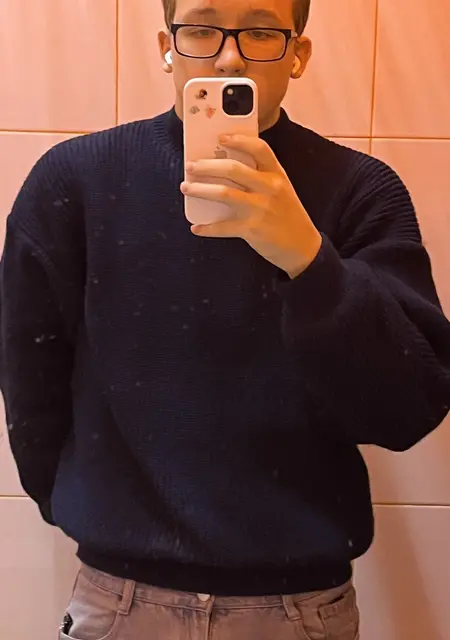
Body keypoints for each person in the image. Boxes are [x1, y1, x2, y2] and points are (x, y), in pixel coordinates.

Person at [1, 0, 449, 637]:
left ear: (298, 54)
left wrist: (308, 258)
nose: (229, 56)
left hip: (300, 611)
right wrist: (92, 510)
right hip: (118, 602)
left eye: (261, 31)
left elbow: (409, 408)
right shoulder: (74, 183)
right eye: (202, 29)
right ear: (167, 45)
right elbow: (28, 374)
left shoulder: (360, 191)